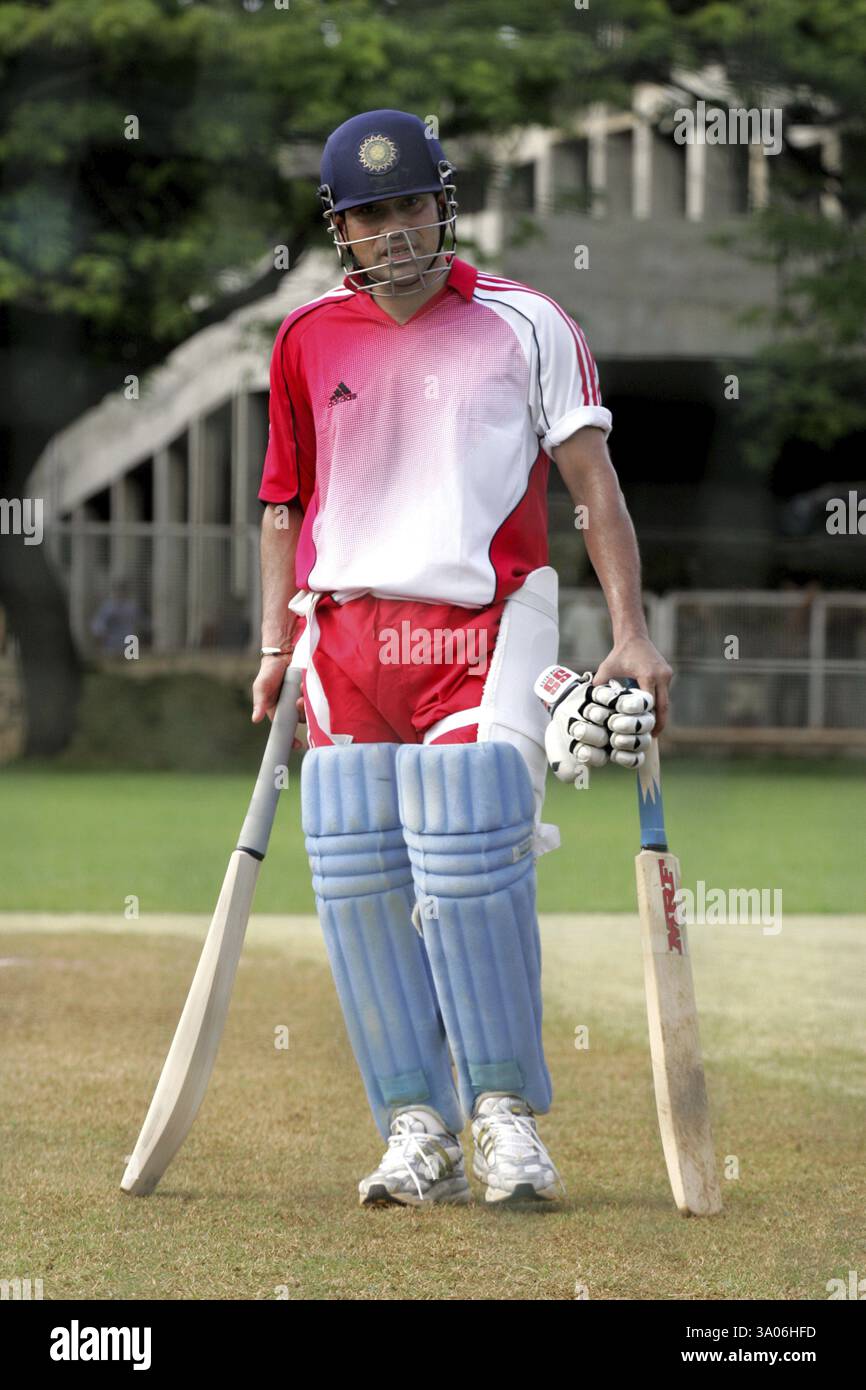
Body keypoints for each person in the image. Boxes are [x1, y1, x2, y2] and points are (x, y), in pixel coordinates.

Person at [251, 109, 672, 1206]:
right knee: (355, 870)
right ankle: (412, 1124)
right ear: (339, 229)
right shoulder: (304, 338)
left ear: (443, 205)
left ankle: (500, 1119)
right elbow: (280, 506)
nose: (392, 234)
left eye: (408, 208)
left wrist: (628, 631)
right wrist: (271, 641)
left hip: (483, 618)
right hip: (344, 630)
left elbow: (594, 494)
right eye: (367, 216)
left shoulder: (525, 321)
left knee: (470, 829)